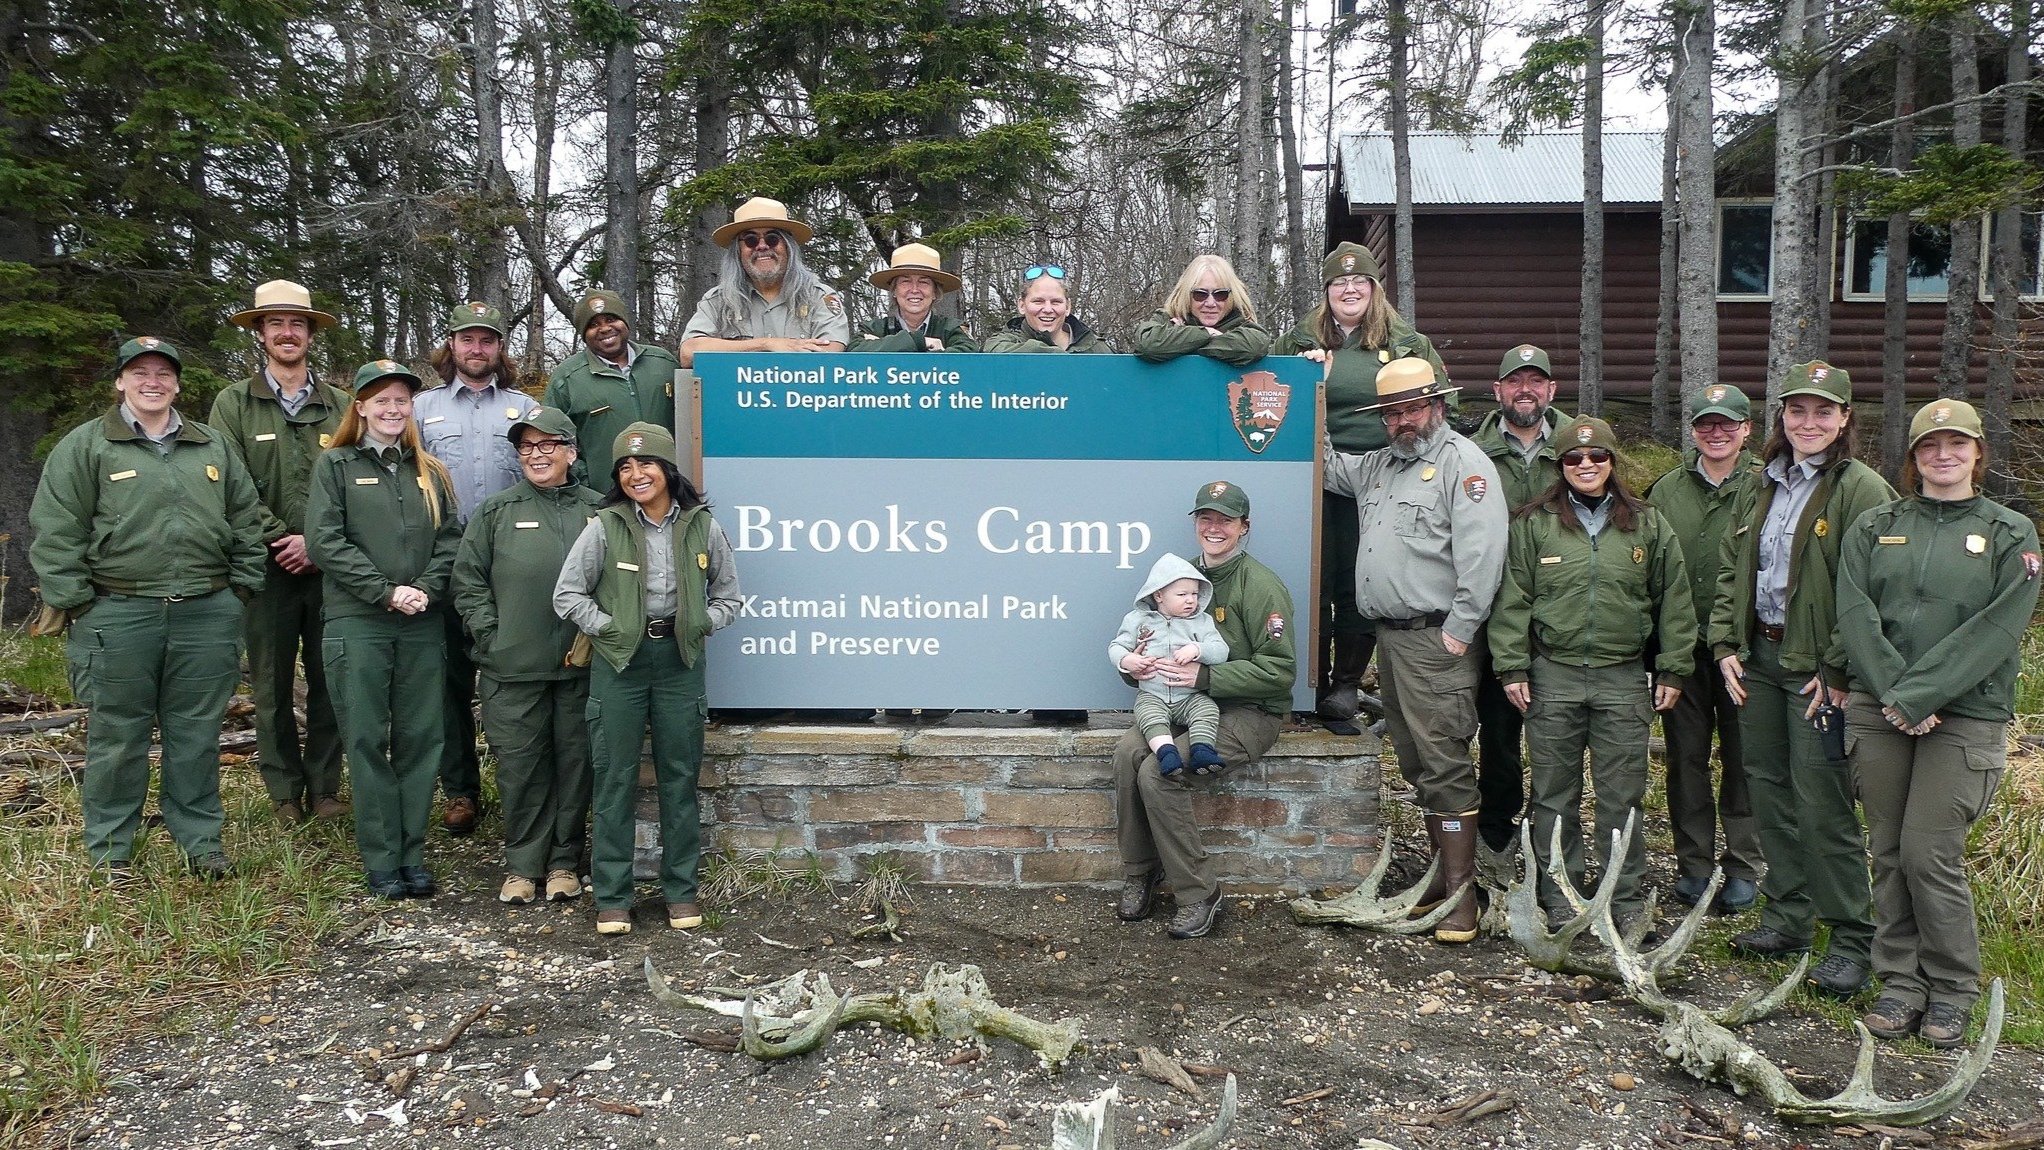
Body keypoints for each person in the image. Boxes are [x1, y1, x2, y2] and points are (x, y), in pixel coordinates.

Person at [1836, 398, 2040, 1048]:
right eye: (1929, 445)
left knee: (1930, 854)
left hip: (1966, 716)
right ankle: (1900, 983)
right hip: (1881, 710)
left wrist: (1922, 695)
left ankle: (1952, 989)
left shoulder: (2011, 532)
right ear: (1913, 457)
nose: (1942, 455)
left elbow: (1999, 628)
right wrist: (1897, 693)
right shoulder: (1877, 525)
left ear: (1978, 453)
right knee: (1889, 852)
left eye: (1956, 444)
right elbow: (1854, 610)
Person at [29, 337, 266, 879]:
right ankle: (111, 850)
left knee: (196, 735)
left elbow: (247, 519)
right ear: (120, 382)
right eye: (140, 372)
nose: (152, 382)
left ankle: (201, 844)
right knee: (117, 737)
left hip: (206, 612)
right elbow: (56, 529)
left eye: (163, 373)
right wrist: (79, 603)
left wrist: (240, 591)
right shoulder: (87, 445)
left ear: (177, 384)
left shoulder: (210, 445)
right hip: (118, 612)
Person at [1709, 360, 1892, 997]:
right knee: (1768, 792)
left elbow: (1873, 589)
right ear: (1781, 417)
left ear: (1844, 419)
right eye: (1797, 411)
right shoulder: (1764, 482)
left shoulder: (1861, 489)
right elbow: (1734, 567)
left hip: (1816, 673)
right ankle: (1788, 917)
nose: (1808, 423)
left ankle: (1851, 938)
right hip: (1758, 661)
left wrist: (1839, 667)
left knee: (1823, 804)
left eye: (1822, 411)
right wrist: (1725, 642)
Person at [1322, 357, 1506, 945]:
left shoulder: (1463, 465)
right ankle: (1440, 879)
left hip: (1435, 639)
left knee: (1445, 759)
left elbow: (1484, 554)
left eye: (1412, 409)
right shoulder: (1379, 465)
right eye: (1392, 413)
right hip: (1392, 641)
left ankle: (1462, 896)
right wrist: (1314, 392)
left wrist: (1461, 628)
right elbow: (1325, 465)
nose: (1402, 421)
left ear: (1437, 406)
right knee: (1417, 762)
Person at [1489, 416, 1695, 930]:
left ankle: (1623, 901)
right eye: (1574, 458)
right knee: (1552, 794)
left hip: (1622, 677)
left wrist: (1672, 668)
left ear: (1612, 461)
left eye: (1597, 456)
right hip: (1552, 675)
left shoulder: (1647, 524)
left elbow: (1674, 600)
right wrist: (1512, 665)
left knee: (1622, 796)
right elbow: (1513, 599)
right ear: (1560, 465)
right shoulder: (1534, 525)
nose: (1586, 465)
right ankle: (1559, 893)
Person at [554, 422, 742, 935]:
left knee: (679, 779)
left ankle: (681, 892)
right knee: (614, 779)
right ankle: (613, 897)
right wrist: (610, 629)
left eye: (646, 464)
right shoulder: (605, 525)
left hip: (680, 665)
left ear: (668, 469)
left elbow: (729, 597)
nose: (635, 474)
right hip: (619, 666)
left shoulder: (703, 526)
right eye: (625, 467)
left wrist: (701, 622)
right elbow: (567, 594)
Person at [306, 359, 463, 899]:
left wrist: (425, 589)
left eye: (401, 400)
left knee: (421, 738)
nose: (393, 409)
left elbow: (451, 540)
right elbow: (325, 542)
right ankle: (381, 857)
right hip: (359, 623)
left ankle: (412, 853)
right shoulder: (336, 466)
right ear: (361, 408)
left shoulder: (430, 471)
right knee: (368, 738)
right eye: (381, 400)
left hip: (421, 622)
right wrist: (384, 590)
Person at [1112, 481, 1296, 940]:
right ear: (1195, 523)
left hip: (1250, 711)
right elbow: (1143, 643)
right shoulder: (1178, 577)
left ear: (1243, 527)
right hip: (1178, 703)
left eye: (1225, 520)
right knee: (1127, 754)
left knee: (1160, 772)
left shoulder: (1260, 585)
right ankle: (1141, 871)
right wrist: (1137, 665)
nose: (1214, 528)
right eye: (1205, 518)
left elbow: (1280, 671)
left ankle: (1199, 893)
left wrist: (1206, 677)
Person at [1274, 242, 1447, 729]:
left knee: (1361, 577)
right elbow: (1270, 395)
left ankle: (1346, 683)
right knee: (1314, 578)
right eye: (1339, 282)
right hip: (1311, 475)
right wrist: (1307, 375)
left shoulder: (1406, 341)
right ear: (1326, 290)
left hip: (1380, 474)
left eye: (1359, 281)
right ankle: (1310, 680)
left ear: (1374, 288)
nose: (1349, 290)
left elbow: (1437, 404)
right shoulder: (1299, 339)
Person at [211, 280, 353, 826]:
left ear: (311, 333)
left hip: (331, 567)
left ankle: (325, 788)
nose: (287, 333)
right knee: (270, 682)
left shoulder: (341, 405)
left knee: (329, 678)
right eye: (275, 323)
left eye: (297, 323)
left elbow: (356, 483)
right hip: (263, 568)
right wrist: (281, 539)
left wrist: (318, 543)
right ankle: (284, 793)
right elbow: (229, 485)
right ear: (260, 333)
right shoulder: (234, 404)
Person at [453, 406, 604, 906]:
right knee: (520, 768)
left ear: (571, 452)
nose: (536, 455)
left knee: (575, 766)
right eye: (526, 447)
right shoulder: (496, 511)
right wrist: (491, 636)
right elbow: (468, 581)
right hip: (513, 668)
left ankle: (564, 863)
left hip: (581, 668)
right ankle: (522, 864)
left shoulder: (600, 511)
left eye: (547, 445)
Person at [416, 301, 542, 837]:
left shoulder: (524, 409)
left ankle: (524, 788)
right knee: (449, 683)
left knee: (512, 675)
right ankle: (461, 790)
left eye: (487, 340)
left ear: (499, 348)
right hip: (444, 562)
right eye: (467, 339)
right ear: (451, 345)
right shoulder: (421, 409)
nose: (476, 348)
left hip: (509, 563)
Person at [1645, 384, 1765, 914]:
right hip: (1683, 652)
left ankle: (1743, 865)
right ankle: (1693, 864)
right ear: (1692, 431)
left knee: (1744, 761)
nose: (1716, 433)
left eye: (1727, 423)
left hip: (1743, 653)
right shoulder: (1665, 491)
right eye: (1706, 424)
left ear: (1746, 429)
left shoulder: (1767, 486)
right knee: (1685, 760)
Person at [1467, 344, 1567, 863]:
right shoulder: (1471, 453)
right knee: (1498, 725)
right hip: (1491, 607)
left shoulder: (1578, 447)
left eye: (1535, 381)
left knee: (1558, 727)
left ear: (1551, 390)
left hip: (1561, 608)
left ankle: (1551, 829)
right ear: (1498, 390)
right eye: (1514, 381)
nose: (1525, 390)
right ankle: (1497, 825)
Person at [678, 197, 850, 365]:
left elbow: (830, 354)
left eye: (772, 238)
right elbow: (688, 353)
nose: (762, 246)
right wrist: (766, 344)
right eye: (750, 240)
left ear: (788, 246)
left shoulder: (819, 297)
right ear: (738, 251)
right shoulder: (717, 301)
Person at [1108, 554, 1231, 776]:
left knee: (1207, 710)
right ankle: (1166, 753)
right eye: (1182, 595)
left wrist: (1197, 649)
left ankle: (1202, 749)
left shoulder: (1202, 622)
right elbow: (1117, 646)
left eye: (1194, 594)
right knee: (1149, 717)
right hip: (1152, 694)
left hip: (1190, 696)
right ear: (1159, 595)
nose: (1190, 600)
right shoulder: (1137, 619)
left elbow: (1221, 651)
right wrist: (1127, 660)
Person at [544, 288, 684, 483]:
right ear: (584, 334)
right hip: (605, 494)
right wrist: (585, 479)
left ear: (625, 322)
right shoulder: (567, 378)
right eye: (593, 325)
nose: (604, 329)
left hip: (671, 488)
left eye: (611, 319)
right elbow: (549, 440)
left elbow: (694, 418)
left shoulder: (662, 363)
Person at [1130, 255, 1272, 366]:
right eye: (1200, 294)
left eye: (1220, 294)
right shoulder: (1167, 320)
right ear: (1187, 295)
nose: (1210, 303)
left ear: (1231, 295)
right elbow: (1147, 345)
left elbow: (1253, 348)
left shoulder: (1243, 325)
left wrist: (1179, 344)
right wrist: (1208, 333)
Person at [853, 243, 976, 352]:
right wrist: (921, 342)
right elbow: (854, 350)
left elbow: (970, 354)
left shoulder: (952, 329)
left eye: (923, 282)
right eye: (906, 282)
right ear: (894, 291)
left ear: (935, 292)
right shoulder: (874, 328)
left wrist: (883, 344)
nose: (914, 290)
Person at [982, 265, 1110, 353]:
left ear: (1067, 307)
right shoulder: (1000, 345)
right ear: (1022, 305)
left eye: (1056, 302)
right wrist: (1060, 358)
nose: (1048, 309)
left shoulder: (1097, 349)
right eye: (1038, 301)